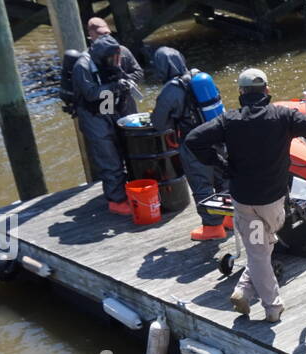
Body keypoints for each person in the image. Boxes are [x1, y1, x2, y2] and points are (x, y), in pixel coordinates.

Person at [186, 68, 306, 324]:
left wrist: (221, 165)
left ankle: (244, 289)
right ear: (267, 91)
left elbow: (194, 139)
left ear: (241, 93)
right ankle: (272, 307)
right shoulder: (283, 116)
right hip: (273, 202)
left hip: (244, 202)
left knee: (259, 249)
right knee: (261, 250)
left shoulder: (229, 120)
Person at [149, 47, 228, 240]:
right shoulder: (200, 76)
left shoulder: (171, 89)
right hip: (218, 136)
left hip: (194, 143)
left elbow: (158, 123)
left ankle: (212, 228)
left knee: (202, 185)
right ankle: (229, 218)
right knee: (223, 179)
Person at [72, 35, 142, 214]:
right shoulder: (83, 66)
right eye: (111, 60)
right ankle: (116, 200)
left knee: (132, 149)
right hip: (95, 113)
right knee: (108, 156)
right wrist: (114, 86)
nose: (116, 61)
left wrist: (127, 81)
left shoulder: (122, 53)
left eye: (117, 58)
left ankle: (134, 187)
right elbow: (90, 93)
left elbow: (138, 72)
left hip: (118, 104)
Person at [85, 17, 144, 84]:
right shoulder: (87, 59)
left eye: (106, 33)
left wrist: (124, 80)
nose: (105, 36)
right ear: (91, 34)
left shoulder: (123, 51)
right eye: (100, 34)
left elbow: (140, 75)